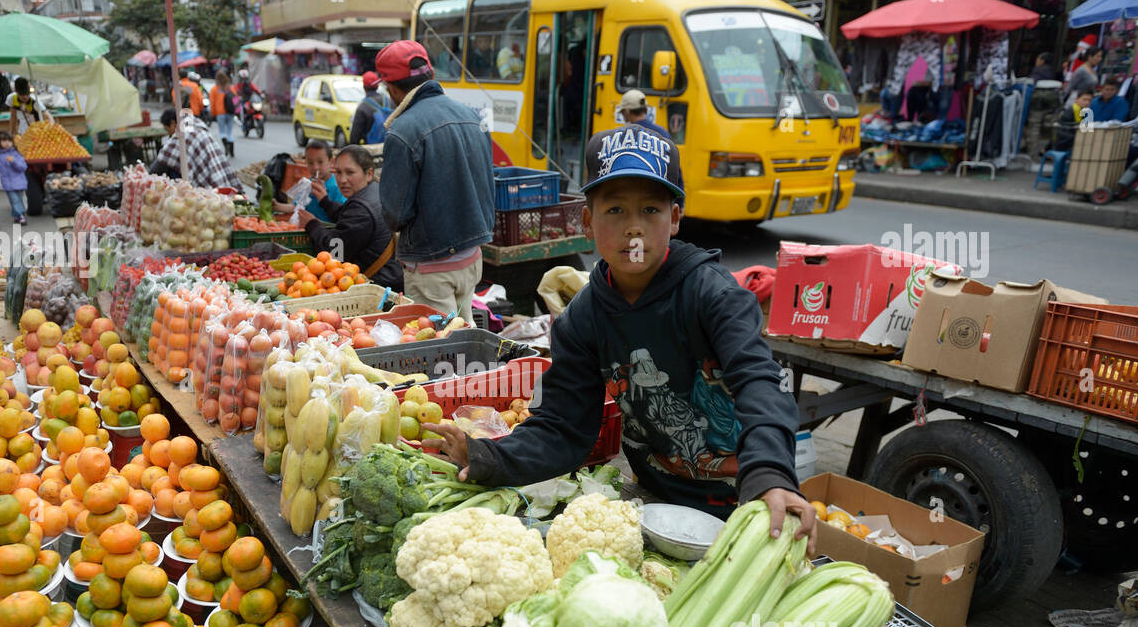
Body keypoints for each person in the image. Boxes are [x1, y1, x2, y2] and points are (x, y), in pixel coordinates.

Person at [427, 124, 816, 544]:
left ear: (676, 218)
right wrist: (489, 457)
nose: (635, 229)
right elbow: (564, 427)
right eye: (615, 211)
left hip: (748, 503)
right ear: (588, 221)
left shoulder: (715, 296)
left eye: (651, 210)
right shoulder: (582, 319)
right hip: (657, 504)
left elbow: (761, 383)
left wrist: (772, 475)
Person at [376, 40, 494, 321]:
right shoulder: (471, 116)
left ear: (391, 88)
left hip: (432, 267)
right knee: (465, 342)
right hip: (472, 259)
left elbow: (396, 214)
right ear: (429, 74)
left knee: (441, 352)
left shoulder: (402, 131)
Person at [297, 145, 403, 292]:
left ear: (369, 174)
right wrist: (325, 202)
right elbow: (348, 219)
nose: (342, 179)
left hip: (376, 285)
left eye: (350, 172)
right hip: (389, 276)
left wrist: (312, 225)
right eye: (338, 172)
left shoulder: (361, 209)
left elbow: (335, 252)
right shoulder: (374, 191)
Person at [150, 108, 240, 189]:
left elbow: (158, 166)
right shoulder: (196, 126)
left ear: (173, 123)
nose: (168, 134)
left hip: (207, 187)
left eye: (167, 129)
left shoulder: (182, 135)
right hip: (217, 178)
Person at [274, 139, 347, 221]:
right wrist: (277, 206)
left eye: (320, 162)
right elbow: (296, 206)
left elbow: (342, 216)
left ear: (331, 162)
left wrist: (324, 199)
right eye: (310, 163)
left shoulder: (338, 187)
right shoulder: (308, 184)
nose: (315, 167)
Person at [0, 131, 29, 225]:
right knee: (14, 200)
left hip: (19, 181)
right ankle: (20, 216)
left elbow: (23, 167)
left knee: (18, 200)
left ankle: (17, 215)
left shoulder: (16, 154)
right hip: (7, 182)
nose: (7, 143)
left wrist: (13, 161)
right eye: (4, 141)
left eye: (9, 141)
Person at [349, 71, 390, 145]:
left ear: (364, 87)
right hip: (391, 146)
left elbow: (354, 138)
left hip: (372, 150)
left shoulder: (363, 107)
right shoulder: (391, 101)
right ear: (377, 86)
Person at [210, 71, 236, 158]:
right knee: (230, 132)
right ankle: (232, 151)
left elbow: (212, 103)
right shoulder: (229, 88)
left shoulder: (214, 89)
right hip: (230, 112)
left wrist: (213, 114)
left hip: (220, 113)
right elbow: (235, 99)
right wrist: (237, 111)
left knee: (222, 132)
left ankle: (226, 147)